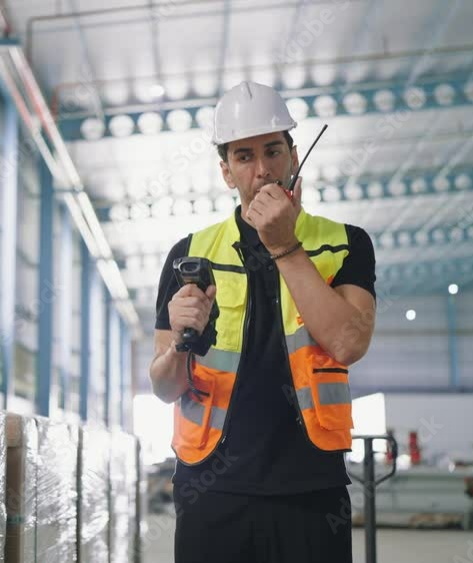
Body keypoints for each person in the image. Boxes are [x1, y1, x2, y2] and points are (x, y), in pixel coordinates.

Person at [149, 81, 377, 563]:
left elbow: (349, 342)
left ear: (294, 155)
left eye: (273, 150)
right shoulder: (188, 255)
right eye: (244, 156)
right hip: (211, 488)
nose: (263, 169)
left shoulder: (346, 243)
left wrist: (283, 245)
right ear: (226, 173)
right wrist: (178, 346)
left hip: (311, 490)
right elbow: (165, 388)